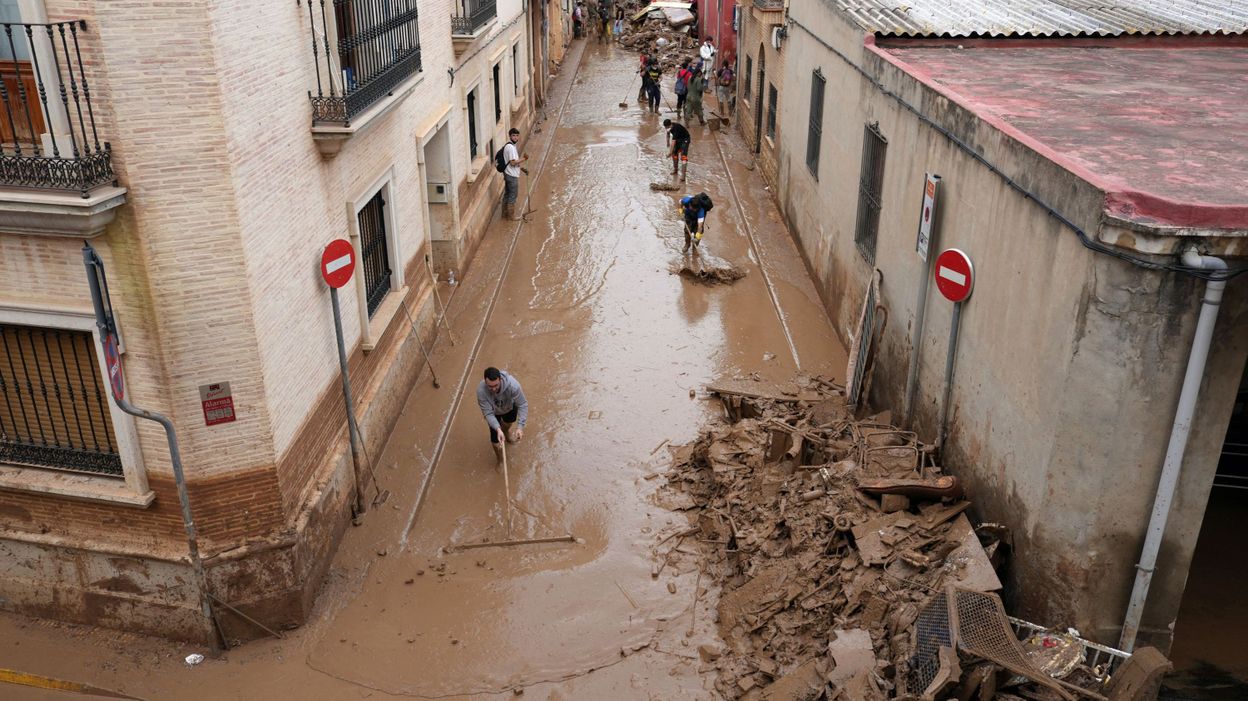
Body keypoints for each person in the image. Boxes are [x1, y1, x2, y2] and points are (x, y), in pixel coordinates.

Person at [477, 367, 528, 464]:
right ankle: (499, 460)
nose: (493, 389)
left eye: (496, 385)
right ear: (485, 382)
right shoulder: (481, 391)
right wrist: (498, 429)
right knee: (495, 441)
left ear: (500, 380)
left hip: (509, 407)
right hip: (493, 413)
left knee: (509, 423)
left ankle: (506, 432)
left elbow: (522, 404)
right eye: (490, 386)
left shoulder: (513, 386)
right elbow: (488, 413)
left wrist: (520, 427)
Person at [502, 128, 529, 221]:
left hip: (507, 174)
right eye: (513, 135)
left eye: (517, 135)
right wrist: (524, 159)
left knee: (507, 194)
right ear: (510, 136)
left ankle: (504, 214)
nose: (515, 137)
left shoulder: (509, 146)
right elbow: (512, 163)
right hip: (512, 176)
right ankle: (511, 217)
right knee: (513, 195)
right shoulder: (511, 148)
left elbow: (511, 162)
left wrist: (522, 169)